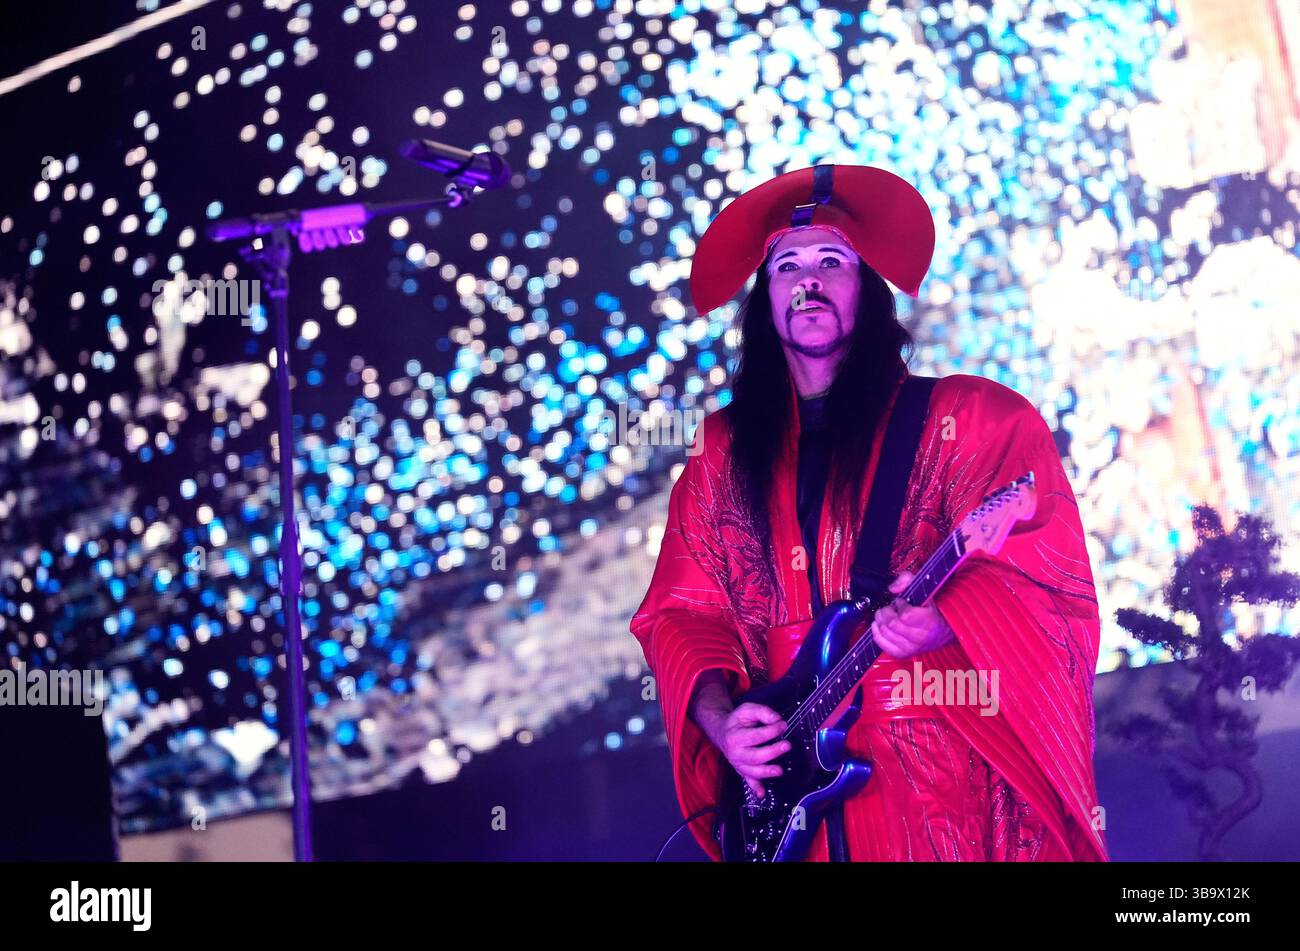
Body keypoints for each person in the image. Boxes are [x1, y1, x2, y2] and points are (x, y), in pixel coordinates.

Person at [630, 164, 1107, 861]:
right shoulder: (719, 456)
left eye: (833, 261)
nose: (808, 281)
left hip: (944, 784)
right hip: (790, 800)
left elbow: (1047, 575)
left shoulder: (970, 419)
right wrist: (726, 722)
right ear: (765, 301)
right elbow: (680, 612)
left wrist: (949, 617)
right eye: (787, 266)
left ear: (870, 291)